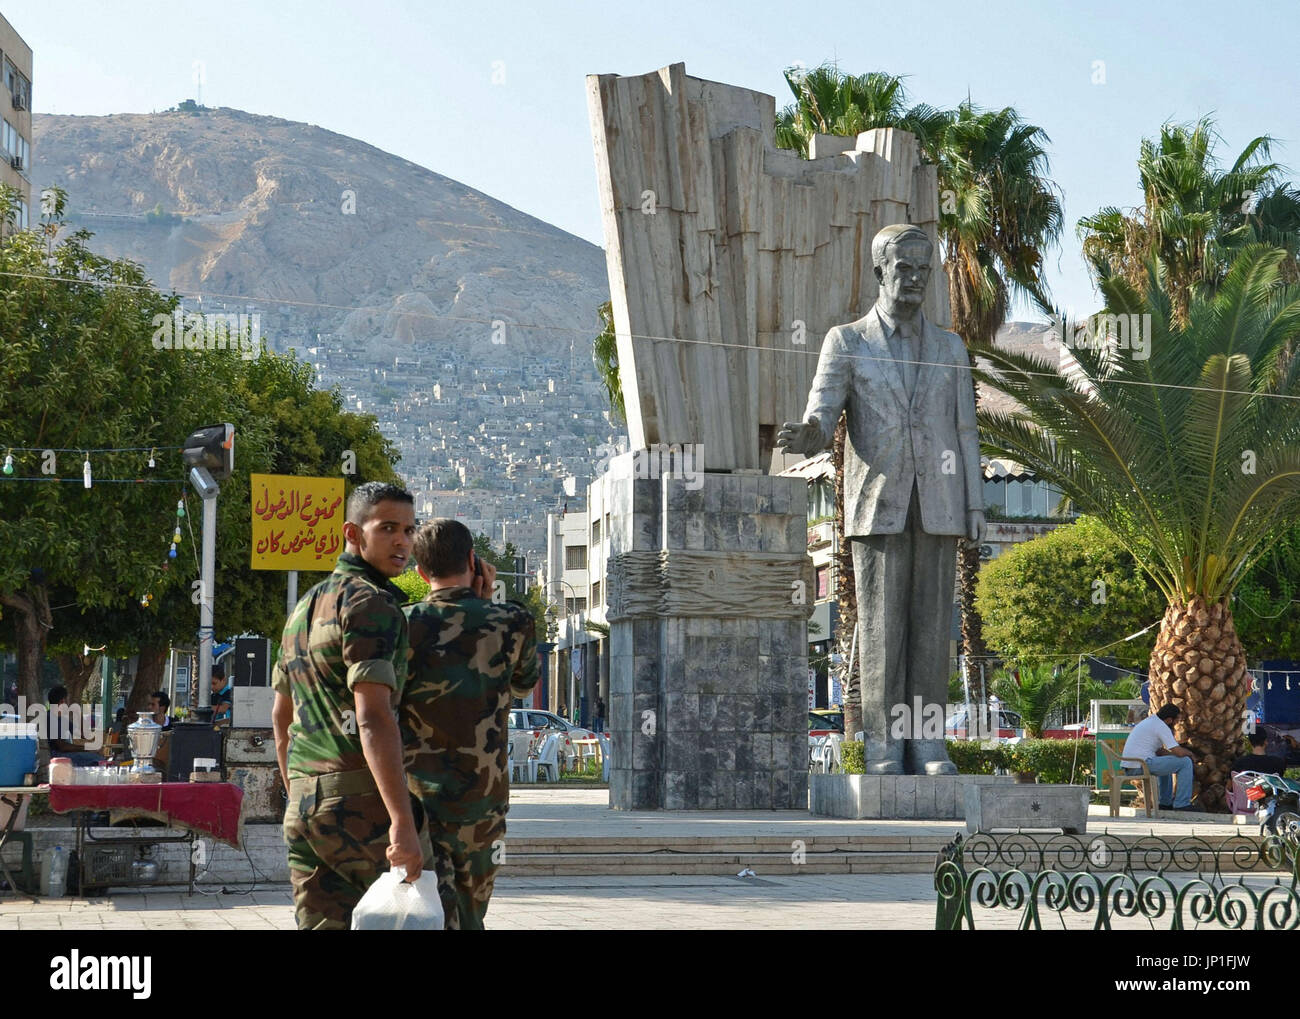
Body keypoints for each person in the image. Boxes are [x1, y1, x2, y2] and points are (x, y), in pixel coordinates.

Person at [779, 224, 983, 775]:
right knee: (882, 632)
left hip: (938, 506)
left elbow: (966, 431)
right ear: (880, 273)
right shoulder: (846, 341)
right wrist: (808, 435)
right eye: (904, 269)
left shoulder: (950, 346)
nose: (915, 279)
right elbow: (824, 413)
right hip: (878, 505)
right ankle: (883, 747)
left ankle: (929, 745)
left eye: (924, 269)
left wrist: (976, 505)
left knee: (931, 633)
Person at [271, 481, 430, 930]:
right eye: (388, 528)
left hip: (305, 802)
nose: (402, 541)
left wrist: (299, 791)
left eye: (409, 530)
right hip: (362, 805)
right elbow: (373, 716)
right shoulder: (371, 603)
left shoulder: (304, 607)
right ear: (353, 533)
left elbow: (281, 719)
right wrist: (401, 821)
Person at [401, 518, 537, 931]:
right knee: (471, 912)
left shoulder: (401, 624)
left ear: (420, 572)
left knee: (422, 909)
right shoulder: (512, 621)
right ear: (473, 561)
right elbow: (524, 684)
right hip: (482, 798)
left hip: (415, 801)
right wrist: (486, 602)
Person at [1121, 703, 1201, 811]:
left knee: (1167, 763)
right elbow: (1178, 751)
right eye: (1176, 720)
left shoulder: (1152, 722)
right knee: (1186, 762)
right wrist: (1191, 754)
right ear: (1169, 720)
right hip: (1140, 765)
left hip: (1132, 765)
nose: (1177, 723)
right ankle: (1182, 804)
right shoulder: (1161, 726)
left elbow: (1160, 752)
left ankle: (1164, 804)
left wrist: (1174, 757)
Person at [46, 685, 105, 766]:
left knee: (98, 757)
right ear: (62, 701)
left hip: (63, 754)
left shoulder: (62, 719)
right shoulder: (50, 718)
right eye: (67, 701)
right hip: (56, 756)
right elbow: (62, 747)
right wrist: (88, 749)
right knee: (97, 759)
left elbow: (83, 734)